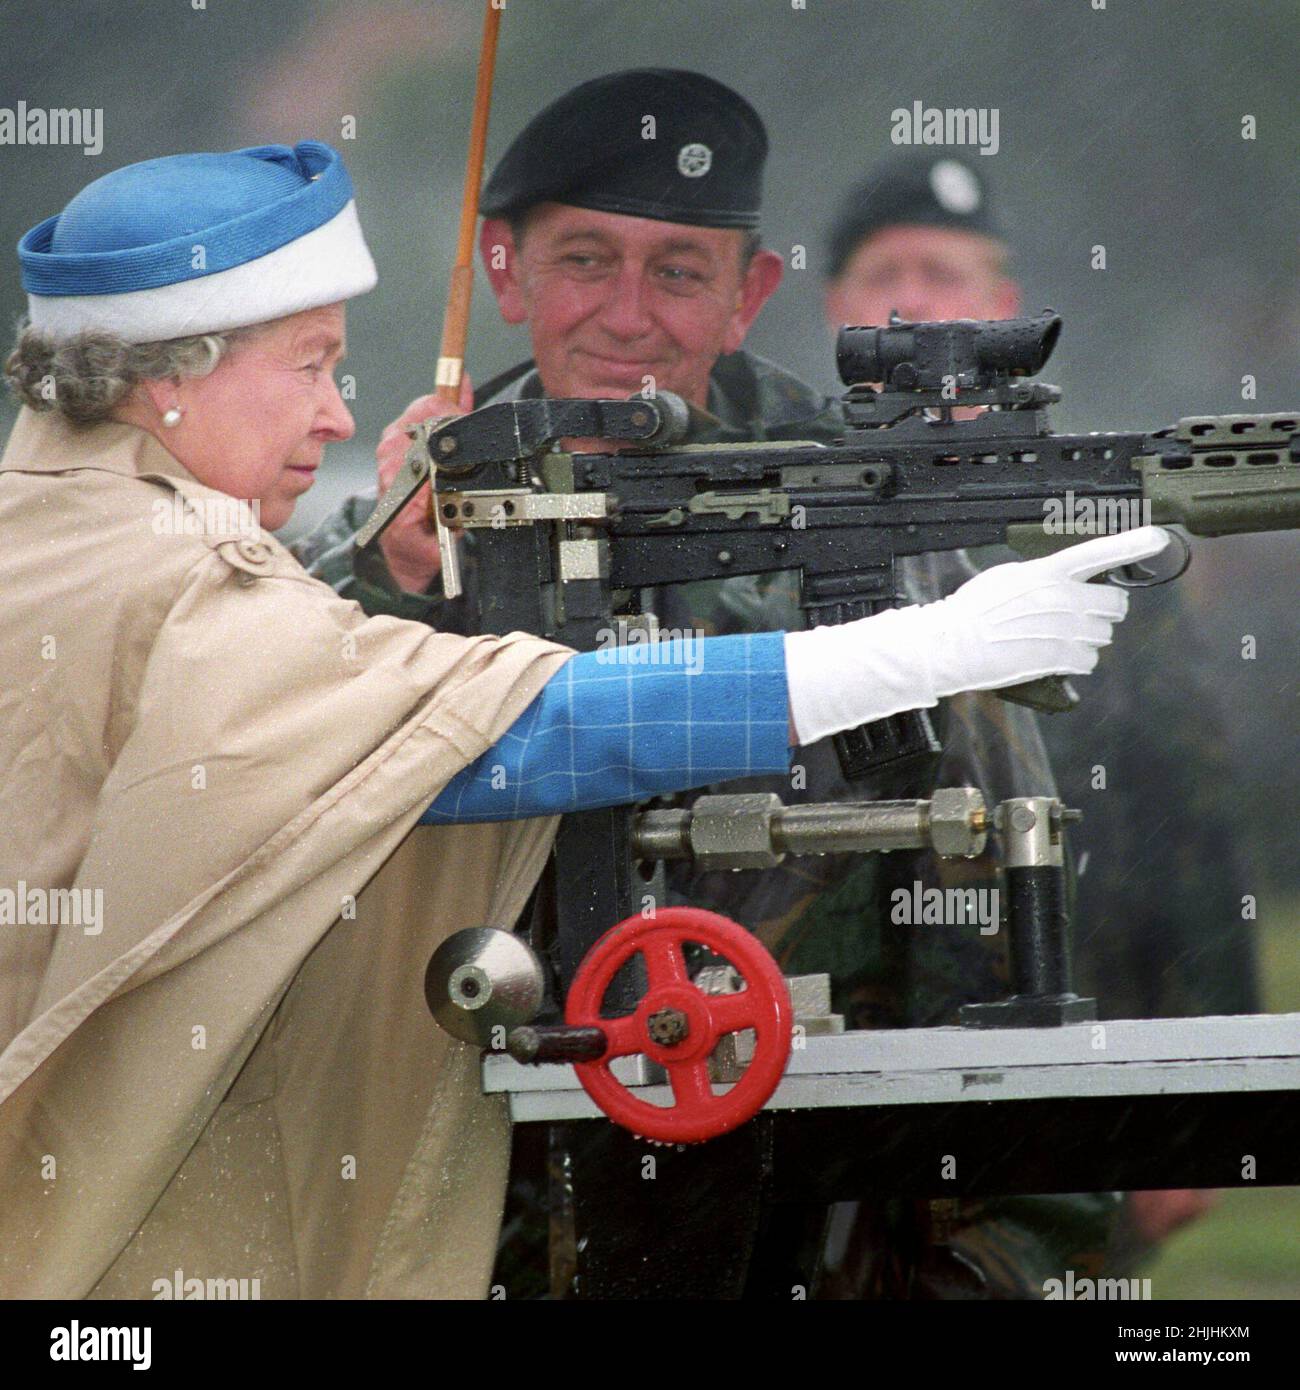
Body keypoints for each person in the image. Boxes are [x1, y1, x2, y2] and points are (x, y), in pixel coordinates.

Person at [0, 139, 1158, 1300]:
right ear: (175, 377)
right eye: (309, 365)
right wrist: (920, 651)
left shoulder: (59, 535)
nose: (335, 412)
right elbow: (515, 736)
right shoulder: (174, 585)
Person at [817, 152, 1257, 1282]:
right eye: (884, 276)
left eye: (944, 272)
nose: (915, 303)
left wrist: (1201, 1098)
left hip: (1076, 1046)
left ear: (1006, 306)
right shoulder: (802, 496)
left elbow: (1190, 821)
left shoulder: (1096, 520)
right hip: (838, 1061)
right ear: (834, 310)